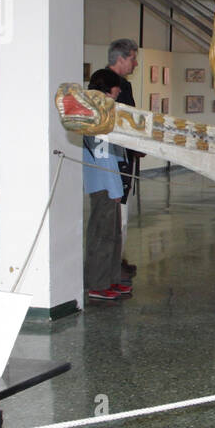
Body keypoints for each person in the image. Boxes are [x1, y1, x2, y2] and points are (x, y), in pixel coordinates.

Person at [83, 69, 132, 302]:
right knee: (102, 237)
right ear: (107, 89)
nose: (119, 91)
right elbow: (104, 159)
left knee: (113, 237)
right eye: (116, 88)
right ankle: (98, 284)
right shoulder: (96, 115)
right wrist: (115, 190)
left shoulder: (101, 112)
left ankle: (110, 279)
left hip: (109, 185)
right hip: (104, 186)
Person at [104, 38, 141, 279]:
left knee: (122, 210)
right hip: (113, 156)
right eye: (133, 58)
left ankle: (117, 258)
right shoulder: (106, 84)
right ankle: (112, 262)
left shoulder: (123, 85)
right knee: (115, 211)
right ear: (121, 58)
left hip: (123, 154)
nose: (136, 63)